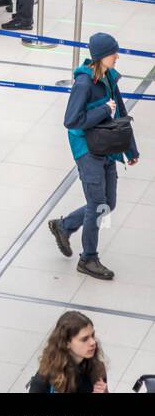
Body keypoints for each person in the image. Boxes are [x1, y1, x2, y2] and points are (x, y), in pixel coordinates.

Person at [45, 32, 140, 280]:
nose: (117, 56)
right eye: (113, 53)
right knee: (98, 204)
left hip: (106, 145)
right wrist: (100, 110)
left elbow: (119, 112)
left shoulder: (109, 77)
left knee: (108, 202)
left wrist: (130, 148)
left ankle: (63, 226)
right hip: (87, 149)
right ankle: (88, 259)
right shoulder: (84, 83)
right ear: (100, 57)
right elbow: (72, 121)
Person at [28, 312, 108, 394]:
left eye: (92, 335)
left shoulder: (97, 368)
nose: (93, 342)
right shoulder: (44, 381)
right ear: (66, 343)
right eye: (84, 339)